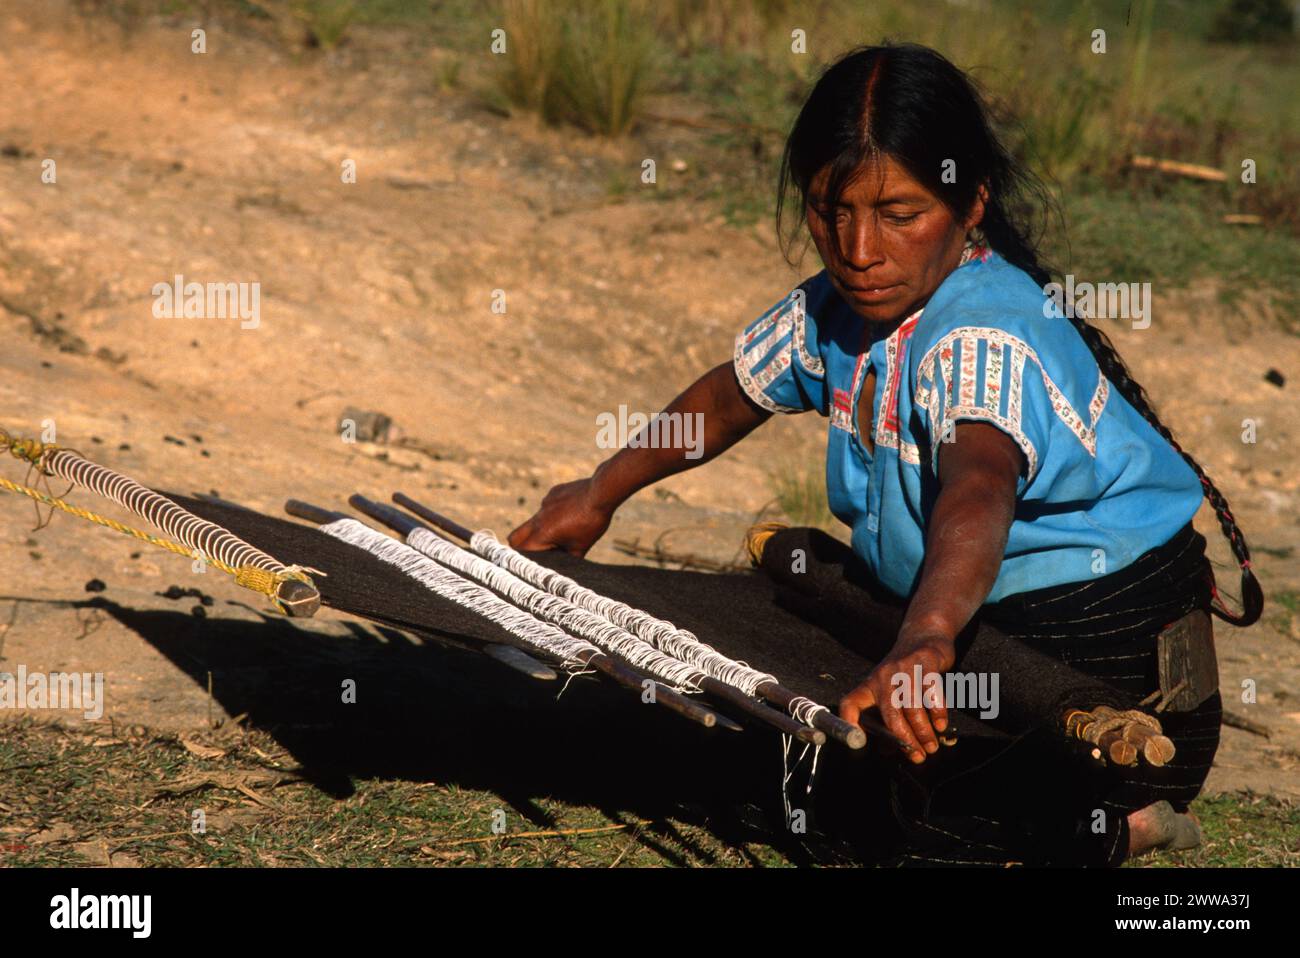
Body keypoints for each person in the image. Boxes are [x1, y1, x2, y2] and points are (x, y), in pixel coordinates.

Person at [509, 42, 1262, 864]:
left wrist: (926, 641)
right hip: (965, 629)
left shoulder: (982, 336)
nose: (860, 248)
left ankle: (1128, 825)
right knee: (781, 750)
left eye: (900, 216)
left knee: (911, 825)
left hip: (1109, 678)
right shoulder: (835, 312)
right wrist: (598, 492)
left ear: (970, 203)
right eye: (833, 210)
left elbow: (978, 488)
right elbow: (728, 398)